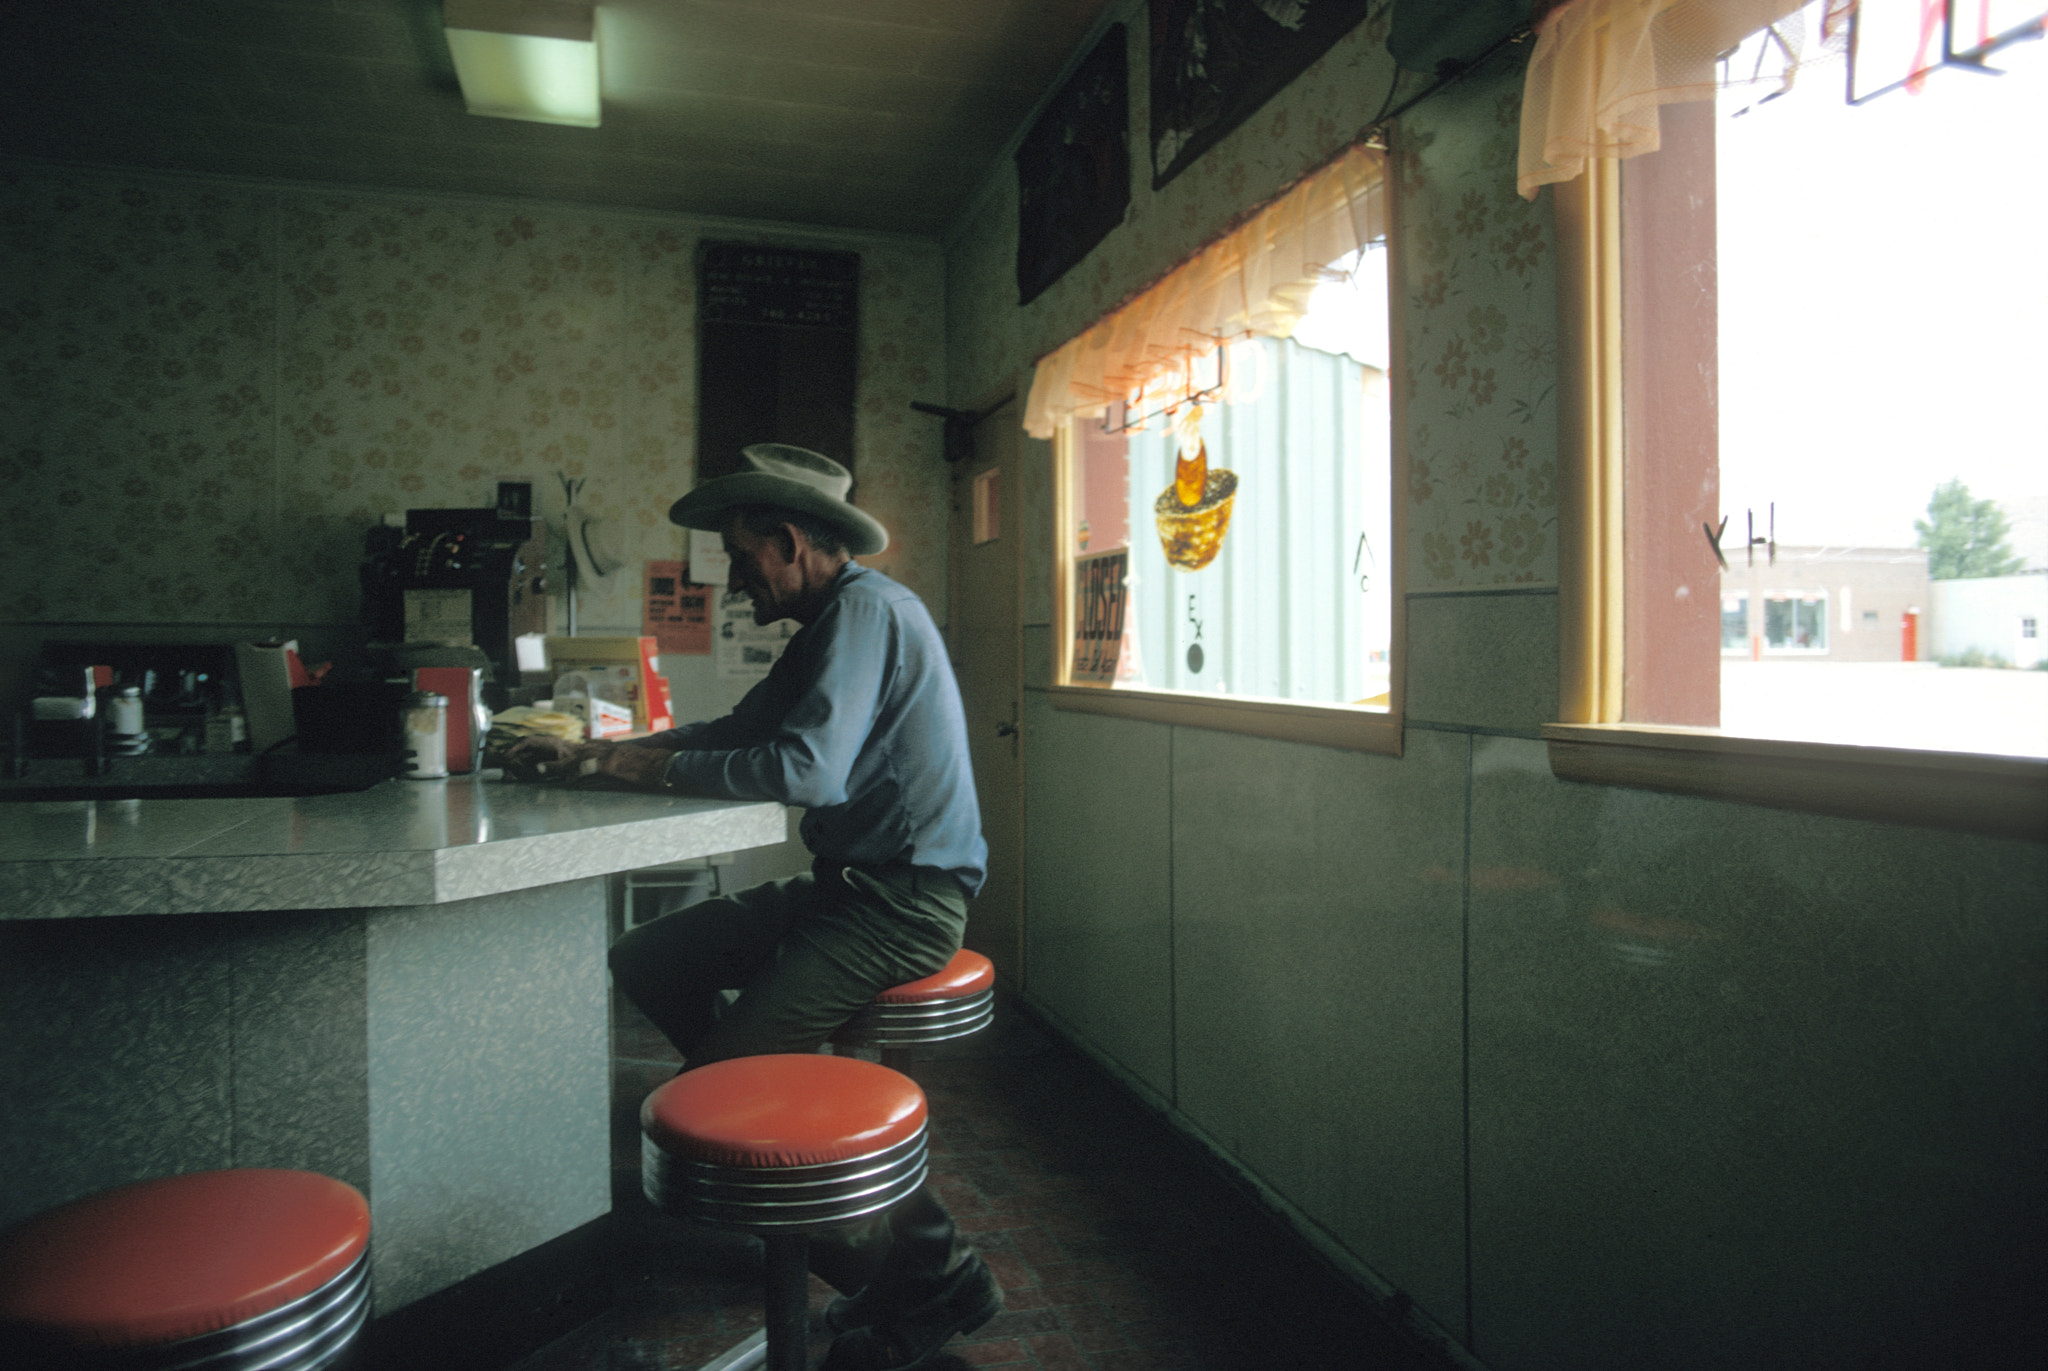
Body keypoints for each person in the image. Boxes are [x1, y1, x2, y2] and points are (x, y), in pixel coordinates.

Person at [505, 444, 999, 1371]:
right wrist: (602, 755)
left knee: (714, 1095)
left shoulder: (865, 610)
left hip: (902, 903)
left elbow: (806, 772)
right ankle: (800, 1151)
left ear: (788, 540)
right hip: (844, 889)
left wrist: (627, 763)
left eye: (740, 556)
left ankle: (934, 1272)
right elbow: (734, 733)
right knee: (648, 958)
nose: (733, 580)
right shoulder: (826, 626)